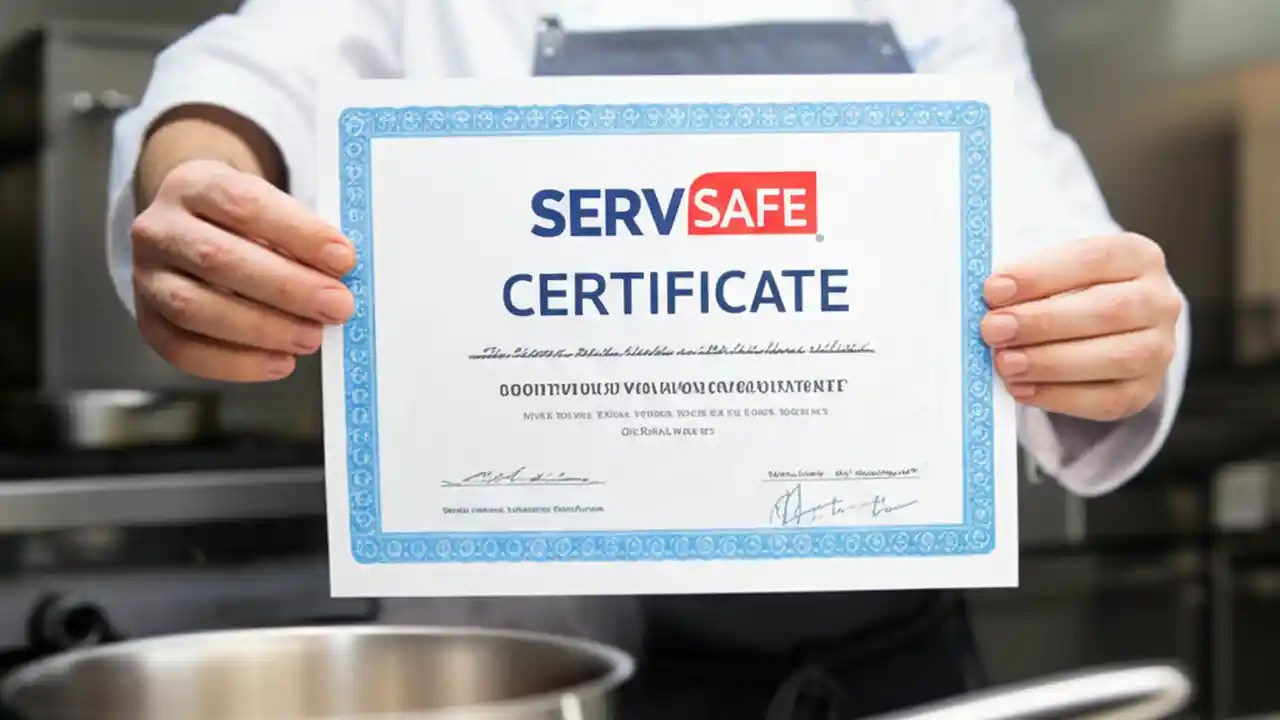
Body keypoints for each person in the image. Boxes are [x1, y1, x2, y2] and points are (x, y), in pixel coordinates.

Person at [106, 2, 1189, 718]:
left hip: (877, 676)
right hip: (534, 685)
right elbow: (239, 73)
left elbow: (1055, 240)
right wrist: (200, 182)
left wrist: (1106, 333)